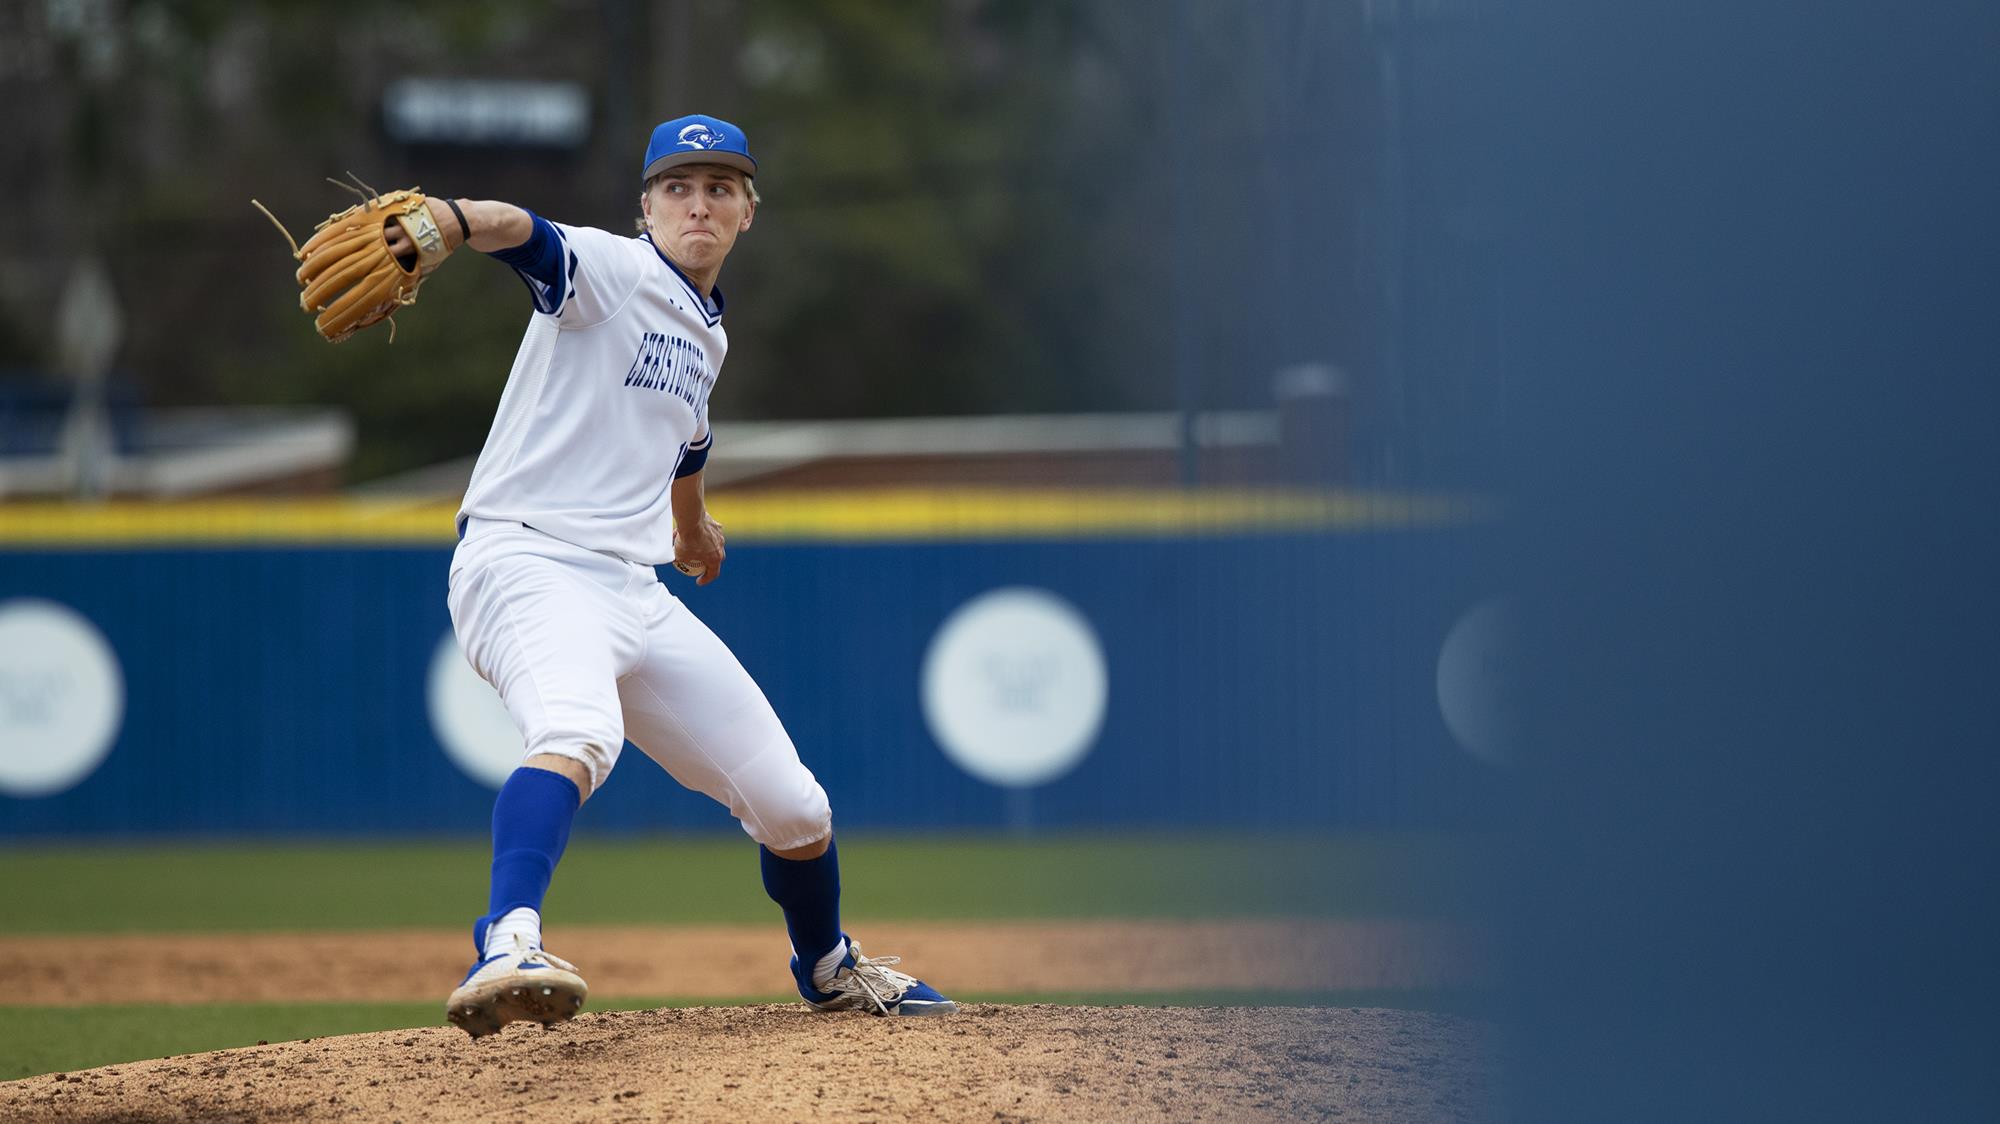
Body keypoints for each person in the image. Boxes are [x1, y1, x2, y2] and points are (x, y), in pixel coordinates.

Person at [402, 114, 956, 1037]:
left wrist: (691, 527)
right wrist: (454, 220)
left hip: (633, 586)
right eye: (678, 188)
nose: (698, 204)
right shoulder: (614, 274)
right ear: (646, 207)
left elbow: (687, 435)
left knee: (796, 805)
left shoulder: (708, 330)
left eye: (720, 189)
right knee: (578, 733)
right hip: (527, 555)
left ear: (747, 214)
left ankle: (825, 964)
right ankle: (507, 940)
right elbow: (525, 234)